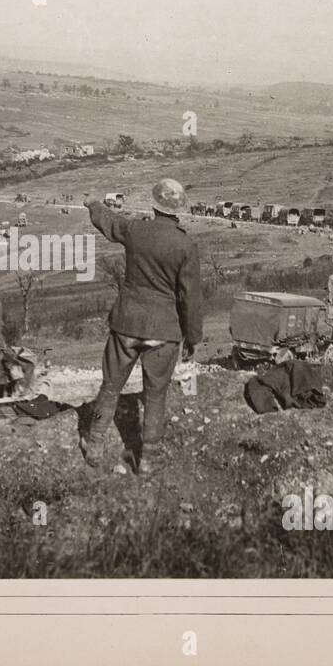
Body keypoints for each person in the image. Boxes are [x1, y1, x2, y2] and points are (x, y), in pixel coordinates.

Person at [82, 179, 202, 475]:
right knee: (156, 395)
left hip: (127, 324)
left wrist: (93, 204)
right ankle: (149, 458)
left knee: (110, 386)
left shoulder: (137, 230)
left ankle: (94, 447)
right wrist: (193, 337)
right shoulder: (185, 245)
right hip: (164, 331)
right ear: (180, 210)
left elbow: (109, 223)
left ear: (154, 204)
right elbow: (190, 297)